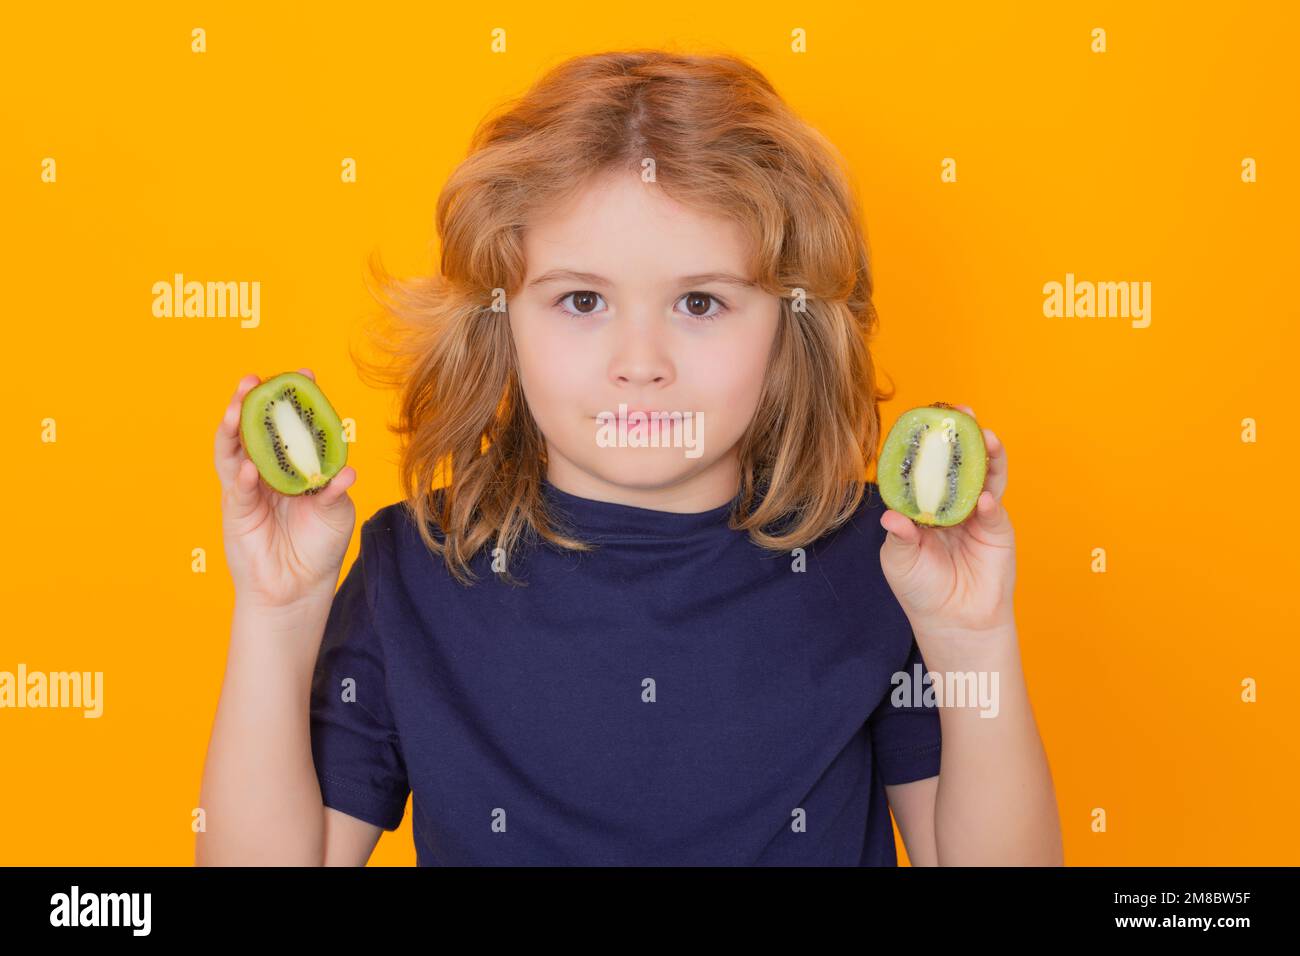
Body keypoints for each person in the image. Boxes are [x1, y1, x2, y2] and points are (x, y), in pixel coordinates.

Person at [197, 48, 1061, 866]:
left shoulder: (882, 559)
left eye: (699, 301)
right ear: (501, 322)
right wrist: (276, 617)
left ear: (788, 325)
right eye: (581, 300)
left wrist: (971, 640)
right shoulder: (414, 572)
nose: (640, 360)